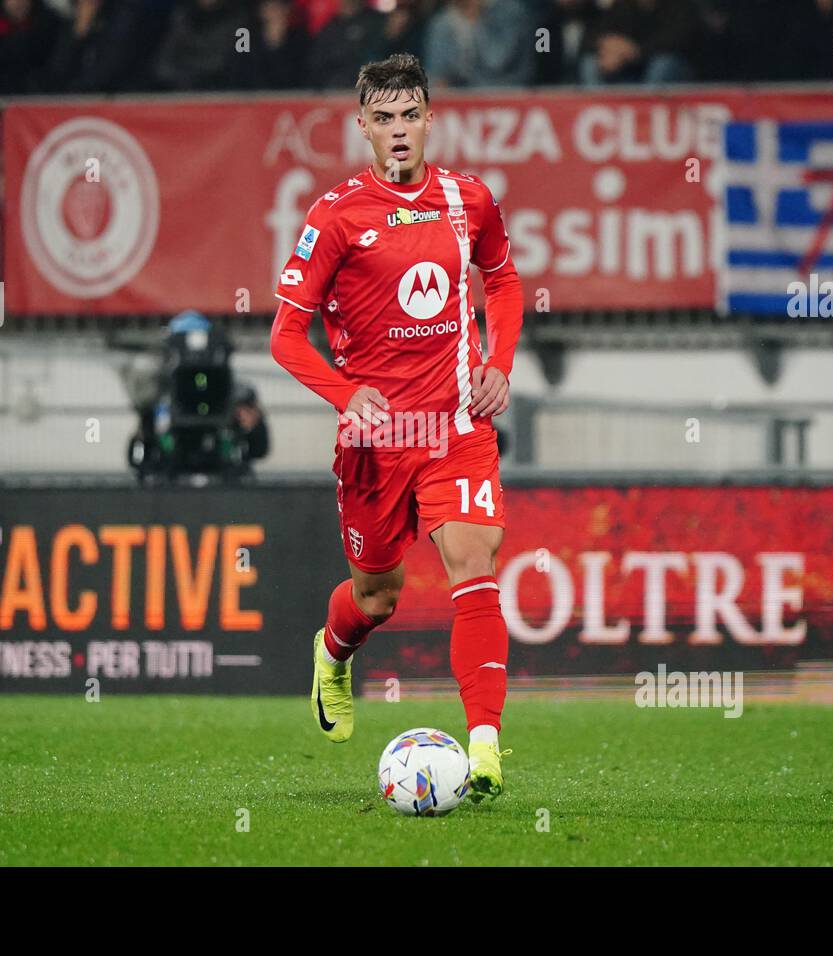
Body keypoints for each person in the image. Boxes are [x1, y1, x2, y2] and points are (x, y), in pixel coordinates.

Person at [269, 53, 523, 801]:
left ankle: (484, 750)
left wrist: (500, 361)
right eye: (384, 118)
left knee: (474, 564)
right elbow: (285, 336)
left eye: (410, 114)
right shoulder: (336, 215)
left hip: (454, 427)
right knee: (376, 597)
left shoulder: (468, 200)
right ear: (363, 128)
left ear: (430, 119)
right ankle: (333, 651)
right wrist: (346, 394)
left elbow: (503, 279)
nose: (399, 131)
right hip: (376, 443)